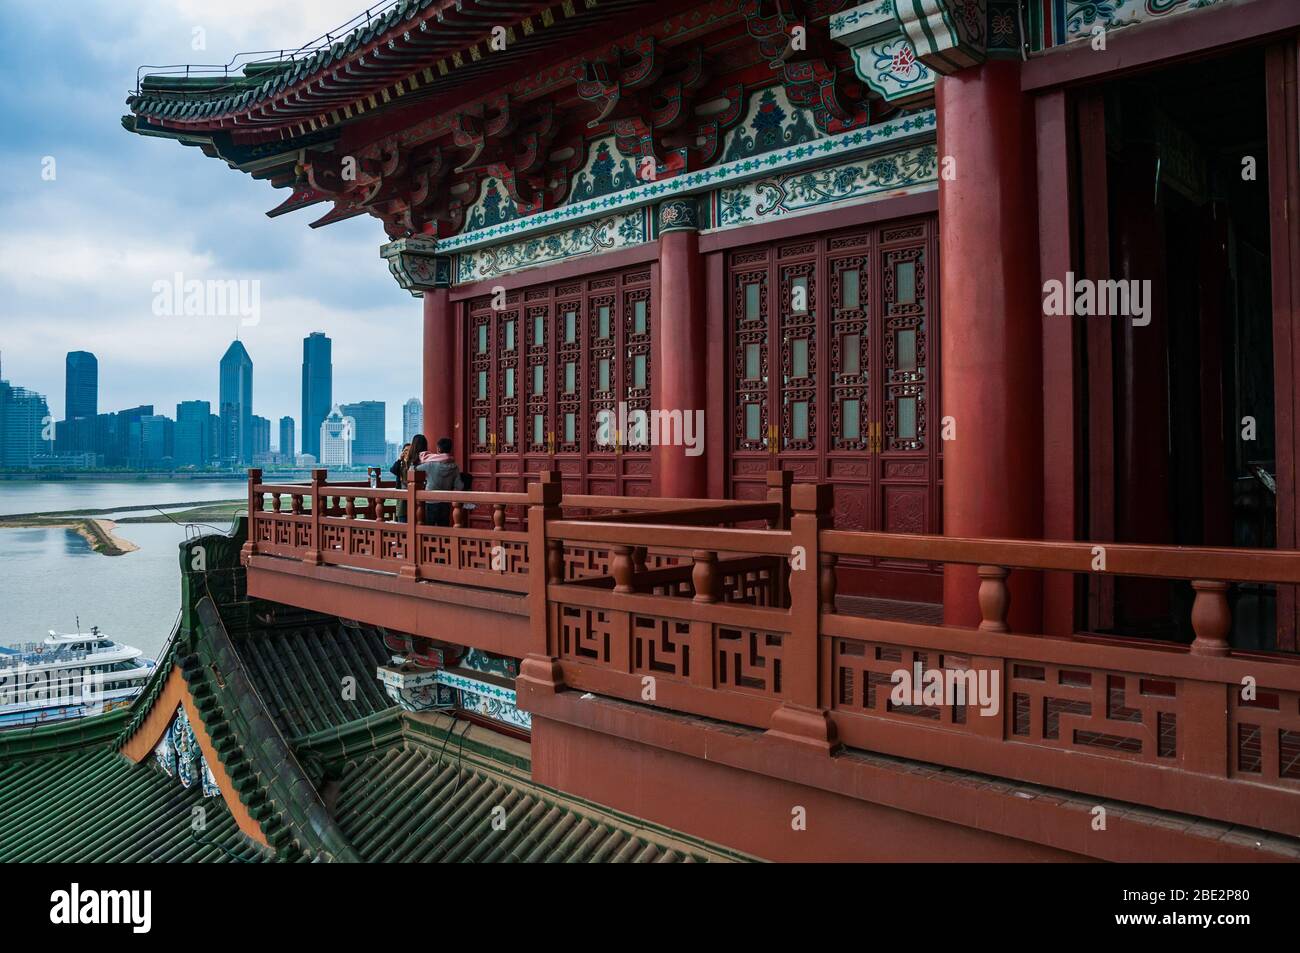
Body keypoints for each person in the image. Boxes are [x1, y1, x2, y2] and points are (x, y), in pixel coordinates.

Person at [415, 436, 460, 526]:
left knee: (430, 527)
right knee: (443, 527)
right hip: (445, 501)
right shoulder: (455, 466)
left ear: (438, 449)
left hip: (431, 500)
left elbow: (415, 469)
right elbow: (458, 484)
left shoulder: (430, 464)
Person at [390, 443, 411, 521]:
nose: (407, 452)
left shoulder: (414, 463)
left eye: (409, 450)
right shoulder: (400, 464)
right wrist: (400, 459)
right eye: (405, 450)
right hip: (402, 496)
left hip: (412, 495)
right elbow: (393, 470)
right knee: (402, 517)